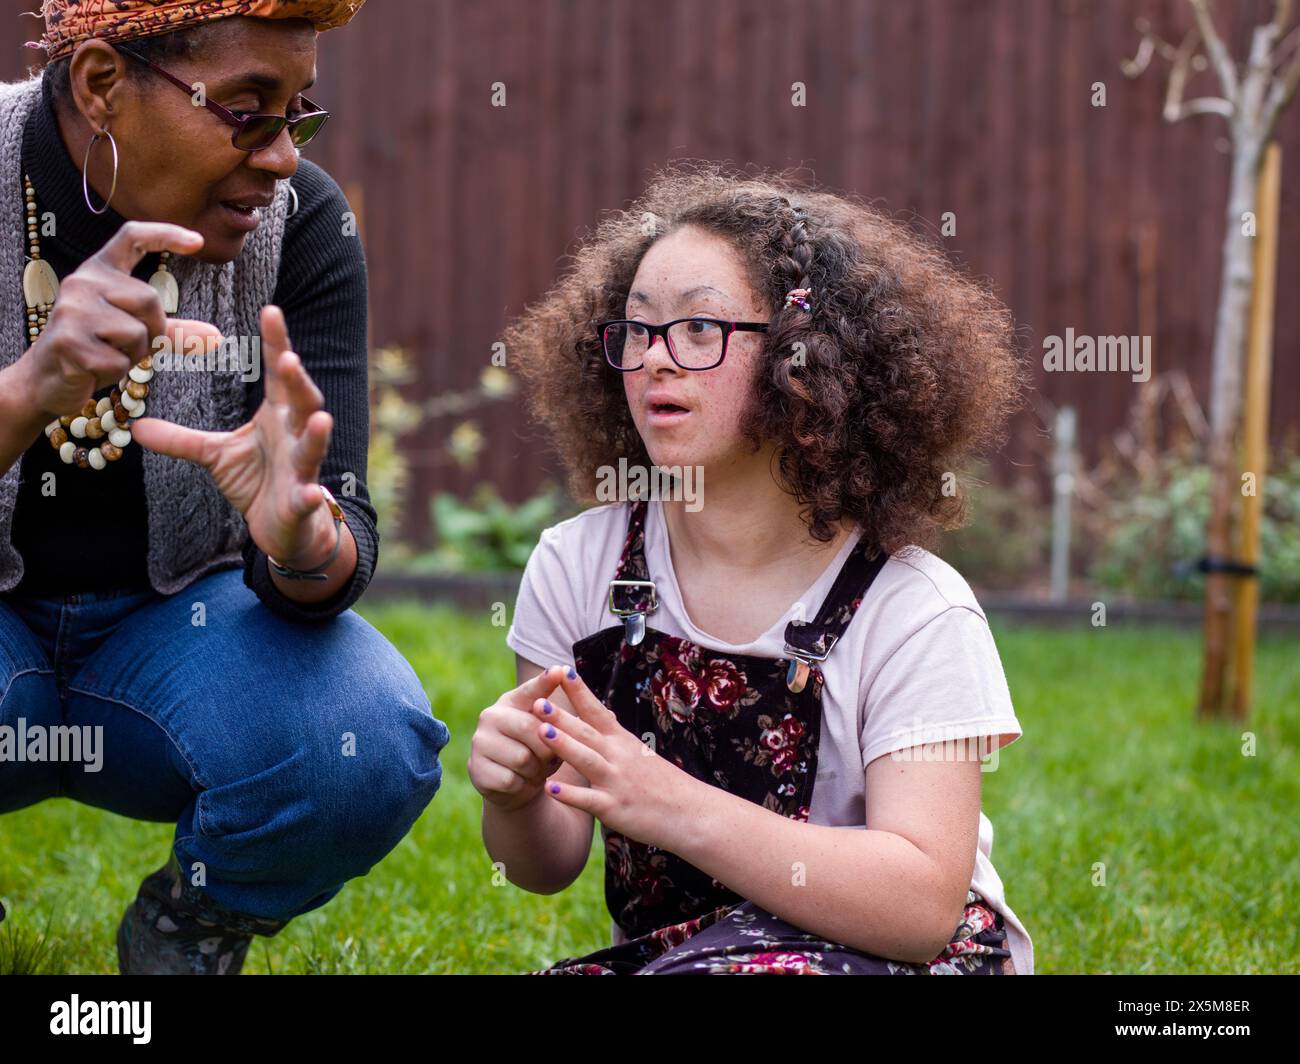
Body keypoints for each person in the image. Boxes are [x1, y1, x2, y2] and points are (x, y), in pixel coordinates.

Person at [472, 162, 1035, 974]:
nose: (656, 359)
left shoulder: (915, 610)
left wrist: (670, 803)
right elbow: (547, 863)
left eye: (700, 328)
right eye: (636, 328)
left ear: (806, 360)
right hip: (688, 958)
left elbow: (920, 907)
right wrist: (516, 796)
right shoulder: (579, 567)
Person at [0, 1, 449, 975]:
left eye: (299, 114)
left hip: (177, 636)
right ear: (100, 84)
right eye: (248, 110)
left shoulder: (304, 224)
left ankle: (193, 921)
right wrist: (28, 391)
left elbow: (341, 523)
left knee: (364, 736)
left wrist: (304, 540)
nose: (282, 155)